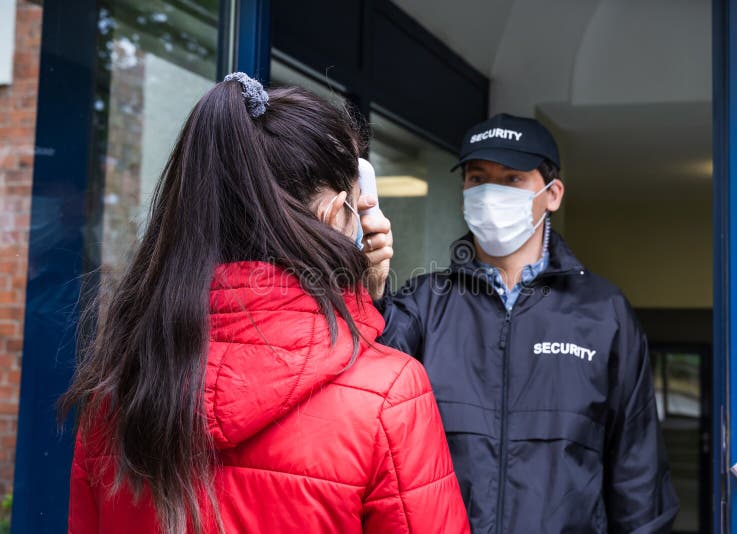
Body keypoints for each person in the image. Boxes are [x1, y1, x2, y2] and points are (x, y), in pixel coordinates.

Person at [61, 73, 469, 534]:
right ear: (334, 213)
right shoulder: (390, 395)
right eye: (358, 208)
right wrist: (358, 299)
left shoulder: (121, 381)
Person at [358, 113, 680, 533]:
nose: (491, 193)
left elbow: (638, 475)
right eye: (478, 178)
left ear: (553, 194)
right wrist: (368, 285)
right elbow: (363, 385)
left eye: (512, 179)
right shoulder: (424, 301)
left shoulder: (604, 312)